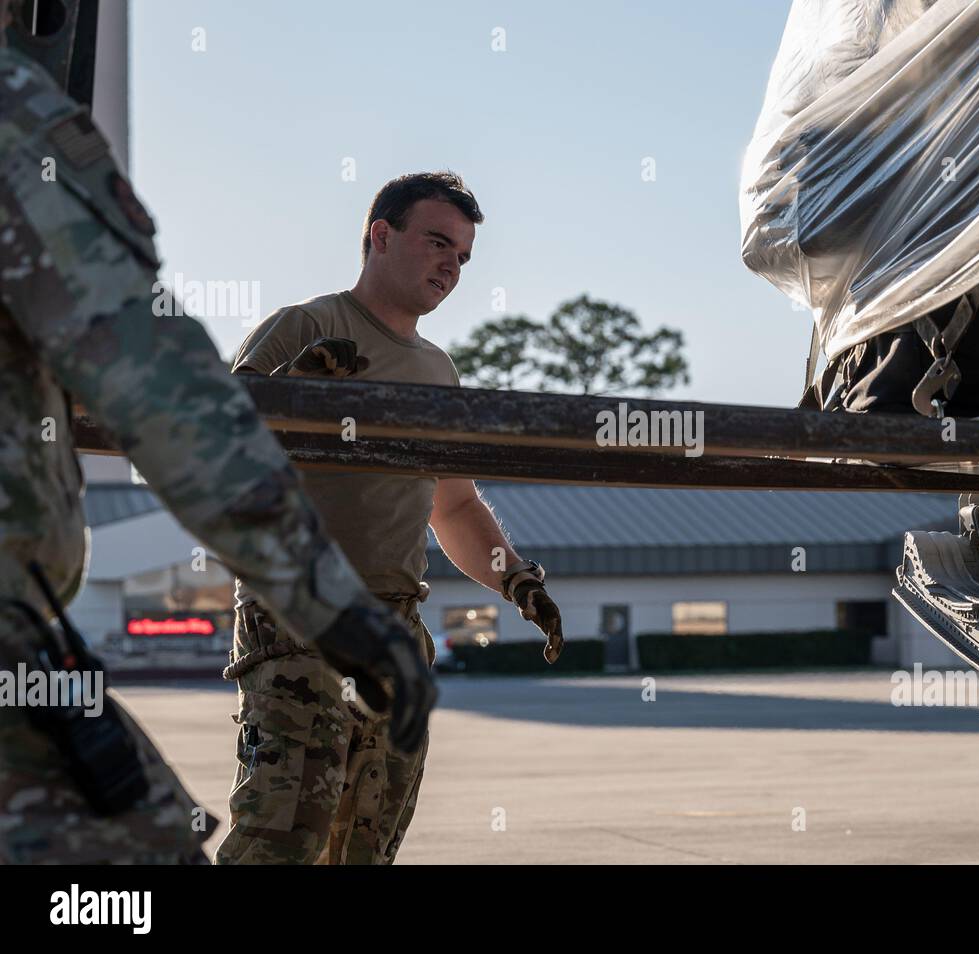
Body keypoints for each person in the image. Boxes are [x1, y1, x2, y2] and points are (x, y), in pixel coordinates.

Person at [0, 12, 436, 864]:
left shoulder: (431, 364)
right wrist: (330, 603)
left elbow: (445, 495)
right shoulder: (16, 120)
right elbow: (169, 393)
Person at [215, 172, 564, 865]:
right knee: (283, 839)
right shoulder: (308, 327)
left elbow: (455, 504)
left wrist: (516, 579)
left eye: (463, 256)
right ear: (381, 235)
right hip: (300, 615)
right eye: (437, 242)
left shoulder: (438, 372)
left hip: (395, 627)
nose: (451, 266)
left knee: (365, 844)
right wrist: (295, 391)